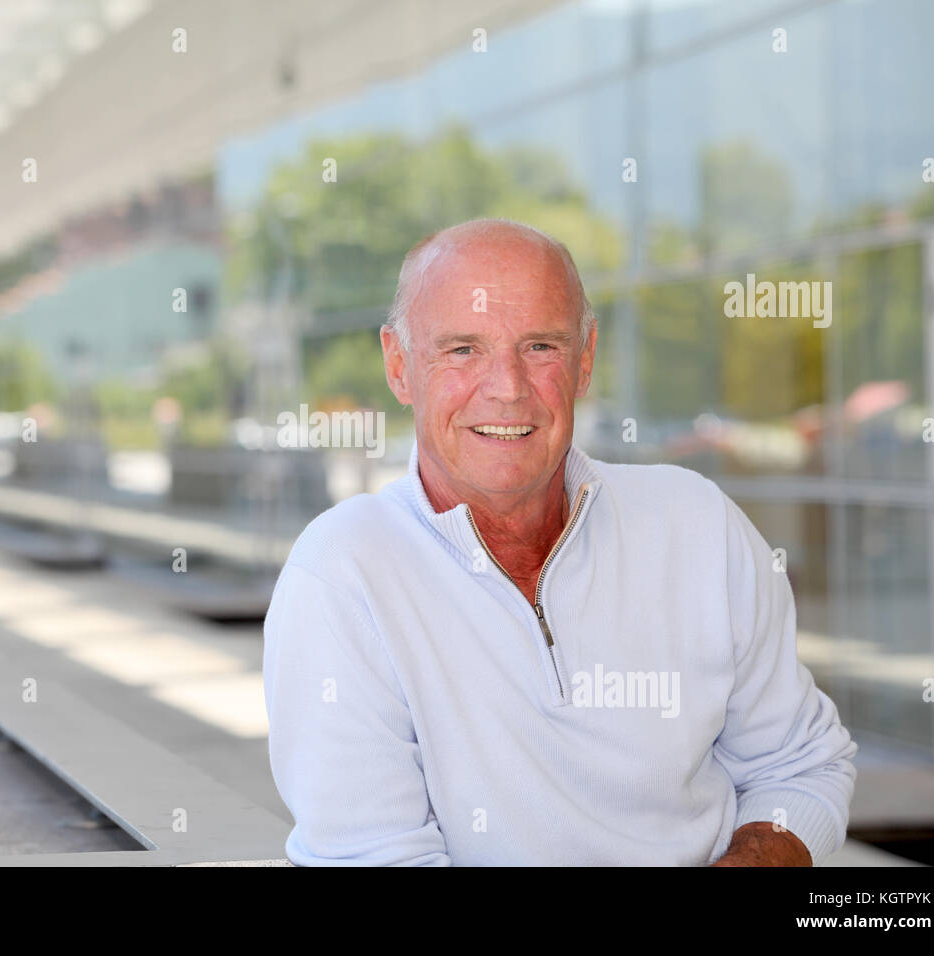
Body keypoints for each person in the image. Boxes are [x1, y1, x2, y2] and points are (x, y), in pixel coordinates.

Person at [262, 217, 856, 865]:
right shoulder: (343, 575)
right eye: (463, 349)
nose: (508, 388)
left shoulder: (697, 523)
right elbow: (373, 857)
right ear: (400, 367)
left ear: (585, 361)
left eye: (541, 346)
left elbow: (800, 767)